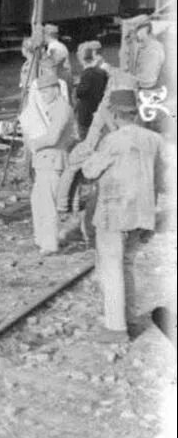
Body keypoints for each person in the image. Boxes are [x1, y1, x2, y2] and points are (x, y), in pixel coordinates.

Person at [81, 89, 165, 343]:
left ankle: (115, 328)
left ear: (116, 114)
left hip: (114, 213)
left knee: (111, 268)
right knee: (127, 265)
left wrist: (88, 153)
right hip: (141, 212)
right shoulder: (153, 139)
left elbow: (90, 171)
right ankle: (129, 319)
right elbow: (159, 179)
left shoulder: (113, 141)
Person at [20, 71, 77, 255]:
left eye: (45, 92)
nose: (42, 96)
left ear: (55, 90)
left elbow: (53, 137)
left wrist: (33, 143)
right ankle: (41, 238)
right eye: (41, 92)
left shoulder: (62, 109)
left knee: (47, 204)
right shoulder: (52, 108)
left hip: (52, 160)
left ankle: (50, 243)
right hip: (44, 161)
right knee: (38, 201)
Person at [74, 41, 109, 137]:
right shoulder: (101, 72)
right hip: (97, 105)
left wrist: (77, 89)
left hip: (86, 110)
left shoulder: (87, 73)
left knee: (84, 133)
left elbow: (80, 92)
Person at [43, 24, 72, 99]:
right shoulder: (61, 45)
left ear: (47, 35)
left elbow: (53, 65)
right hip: (66, 75)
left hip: (61, 77)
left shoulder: (53, 47)